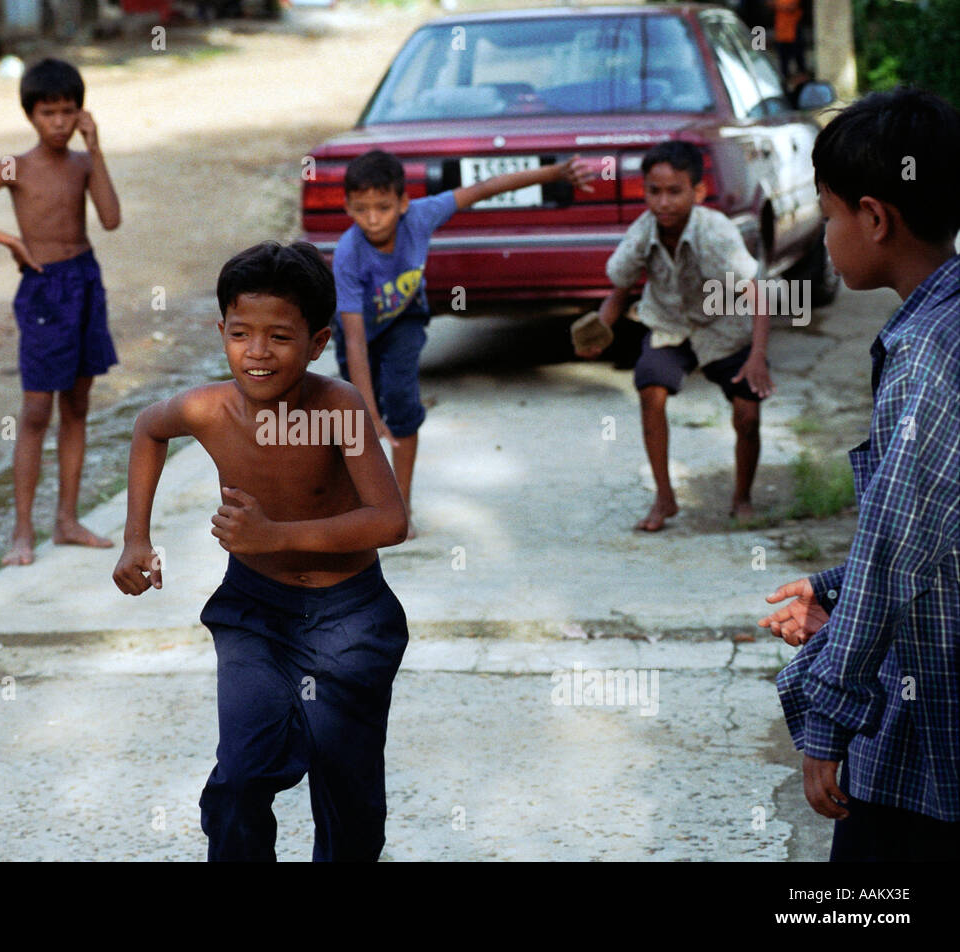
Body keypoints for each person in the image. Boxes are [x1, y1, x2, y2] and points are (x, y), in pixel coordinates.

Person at [113, 241, 410, 861]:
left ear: (318, 341)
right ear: (221, 331)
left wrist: (276, 535)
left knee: (347, 795)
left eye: (279, 336)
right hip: (254, 614)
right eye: (241, 333)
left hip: (350, 619)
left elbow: (390, 519)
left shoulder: (337, 409)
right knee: (242, 776)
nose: (257, 352)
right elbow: (147, 427)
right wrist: (136, 537)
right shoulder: (207, 409)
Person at [759, 87, 960, 861]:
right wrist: (835, 589)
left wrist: (828, 717)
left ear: (875, 219)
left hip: (928, 736)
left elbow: (896, 553)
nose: (824, 230)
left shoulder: (926, 361)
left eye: (828, 211)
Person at [333, 149, 594, 537]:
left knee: (402, 403)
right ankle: (356, 501)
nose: (373, 219)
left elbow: (485, 187)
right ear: (348, 207)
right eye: (361, 209)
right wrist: (368, 411)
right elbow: (354, 340)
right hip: (357, 333)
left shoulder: (421, 215)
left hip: (404, 320)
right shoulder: (347, 255)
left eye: (383, 207)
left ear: (403, 203)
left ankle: (401, 508)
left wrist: (557, 171)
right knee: (354, 417)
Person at [0, 58, 121, 566]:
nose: (58, 122)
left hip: (84, 279)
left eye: (67, 112)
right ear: (30, 115)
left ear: (80, 113)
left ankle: (66, 520)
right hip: (43, 290)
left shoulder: (84, 164)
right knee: (37, 411)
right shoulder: (14, 166)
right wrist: (10, 241)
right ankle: (22, 530)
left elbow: (110, 219)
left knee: (78, 406)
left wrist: (96, 147)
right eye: (47, 113)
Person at [576, 140, 773, 531]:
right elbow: (620, 289)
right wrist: (600, 331)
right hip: (667, 325)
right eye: (654, 191)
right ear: (644, 190)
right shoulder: (643, 231)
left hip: (724, 325)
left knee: (747, 414)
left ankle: (742, 497)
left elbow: (757, 292)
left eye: (674, 191)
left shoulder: (716, 232)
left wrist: (757, 357)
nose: (663, 202)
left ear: (698, 193)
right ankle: (664, 498)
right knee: (651, 389)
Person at [769, 0, 806, 81]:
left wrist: (778, 5)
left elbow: (791, 7)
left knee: (798, 56)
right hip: (781, 31)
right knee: (783, 59)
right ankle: (785, 78)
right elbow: (770, 4)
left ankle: (801, 79)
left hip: (794, 29)